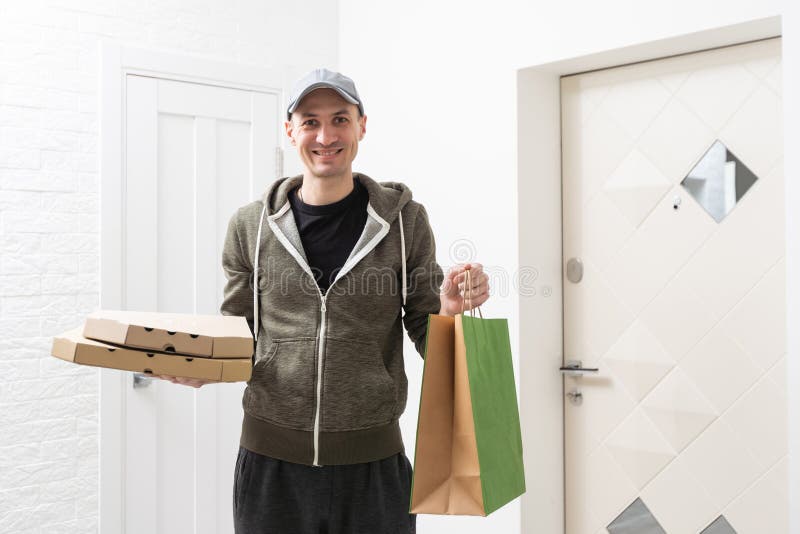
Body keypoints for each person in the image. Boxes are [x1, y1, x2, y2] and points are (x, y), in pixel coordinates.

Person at [158, 68, 490, 534]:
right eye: (310, 121)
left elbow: (426, 329)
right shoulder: (249, 226)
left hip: (375, 467)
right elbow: (240, 333)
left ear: (362, 127)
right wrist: (204, 366)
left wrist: (451, 312)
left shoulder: (403, 221)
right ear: (290, 130)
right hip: (271, 467)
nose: (325, 135)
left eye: (339, 119)